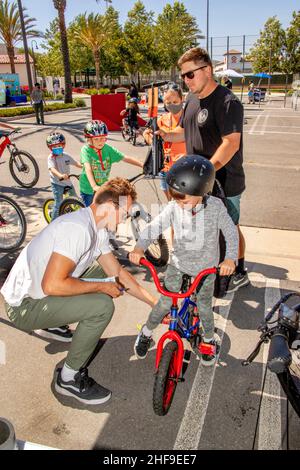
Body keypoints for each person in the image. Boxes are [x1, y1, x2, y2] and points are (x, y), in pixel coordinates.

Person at [1, 177, 157, 406]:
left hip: (37, 291)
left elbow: (119, 275)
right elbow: (52, 285)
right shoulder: (78, 229)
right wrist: (102, 286)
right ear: (110, 207)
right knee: (102, 307)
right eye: (125, 211)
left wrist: (155, 303)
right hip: (24, 306)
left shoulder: (97, 228)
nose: (126, 217)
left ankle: (53, 320)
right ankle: (68, 378)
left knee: (104, 273)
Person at [156, 47, 248, 294]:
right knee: (206, 232)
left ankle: (239, 270)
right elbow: (185, 133)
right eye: (183, 76)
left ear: (207, 70)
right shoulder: (192, 100)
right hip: (198, 182)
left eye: (190, 75)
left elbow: (231, 143)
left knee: (230, 229)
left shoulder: (227, 102)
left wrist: (207, 170)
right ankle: (208, 271)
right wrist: (165, 134)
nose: (185, 81)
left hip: (225, 181)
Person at [129, 156, 238, 365]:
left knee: (204, 305)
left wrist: (230, 259)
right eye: (176, 198)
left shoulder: (215, 207)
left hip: (206, 269)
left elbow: (231, 233)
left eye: (184, 200)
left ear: (202, 192)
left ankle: (207, 340)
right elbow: (154, 227)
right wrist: (139, 247)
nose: (179, 203)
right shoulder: (173, 207)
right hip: (178, 264)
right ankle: (146, 332)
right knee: (165, 301)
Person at [79, 120, 143, 207]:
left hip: (103, 186)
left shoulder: (108, 149)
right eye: (96, 139)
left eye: (103, 138)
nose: (100, 141)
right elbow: (88, 168)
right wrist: (94, 186)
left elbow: (125, 157)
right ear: (89, 139)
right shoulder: (86, 150)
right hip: (88, 188)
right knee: (91, 213)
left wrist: (142, 165)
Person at [143, 83, 186, 201]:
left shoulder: (188, 117)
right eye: (168, 103)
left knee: (182, 203)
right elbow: (146, 132)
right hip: (164, 168)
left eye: (175, 102)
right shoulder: (162, 119)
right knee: (170, 203)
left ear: (182, 99)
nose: (171, 105)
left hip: (183, 169)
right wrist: (154, 142)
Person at [47, 132, 82, 220]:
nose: (57, 148)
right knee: (58, 203)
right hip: (57, 183)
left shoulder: (66, 156)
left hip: (67, 182)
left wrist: (85, 167)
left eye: (59, 146)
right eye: (54, 147)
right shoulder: (51, 157)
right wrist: (60, 175)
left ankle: (77, 215)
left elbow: (76, 163)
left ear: (63, 145)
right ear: (50, 148)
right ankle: (53, 223)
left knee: (75, 198)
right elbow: (52, 169)